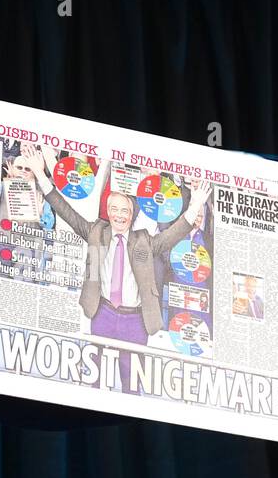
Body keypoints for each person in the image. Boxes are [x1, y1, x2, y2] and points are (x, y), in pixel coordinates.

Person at [21, 149, 213, 391]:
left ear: (132, 215)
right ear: (108, 212)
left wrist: (195, 204)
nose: (119, 215)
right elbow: (64, 210)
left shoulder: (144, 240)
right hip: (103, 314)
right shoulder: (95, 232)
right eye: (114, 209)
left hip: (135, 321)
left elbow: (174, 233)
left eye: (125, 211)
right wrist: (39, 171)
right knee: (94, 378)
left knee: (131, 384)